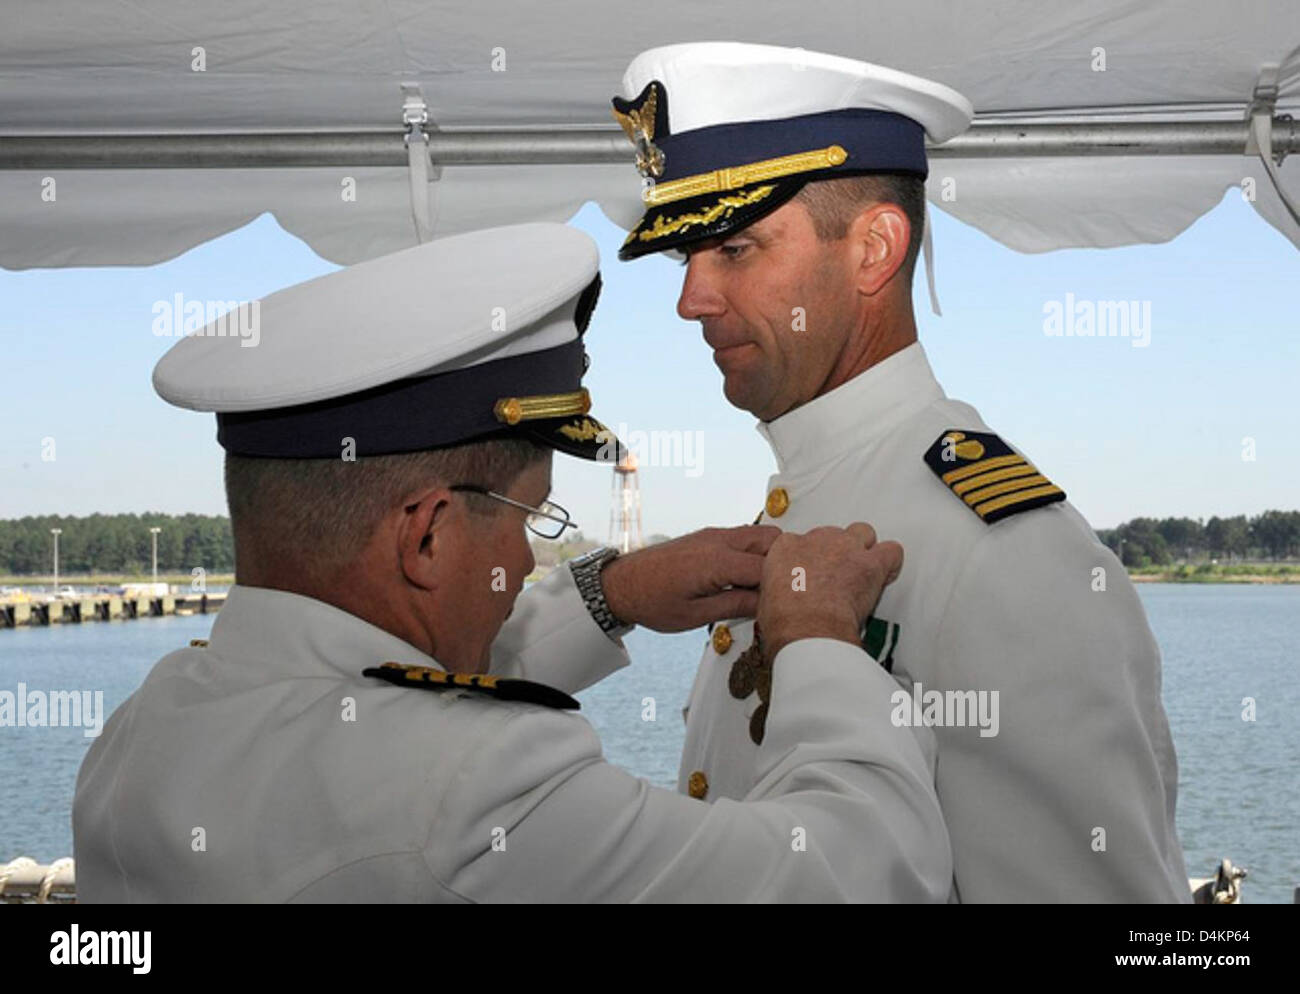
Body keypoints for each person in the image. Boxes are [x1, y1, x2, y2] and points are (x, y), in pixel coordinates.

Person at [73, 222, 952, 902]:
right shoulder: (469, 789)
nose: (529, 549)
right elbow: (864, 876)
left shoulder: (147, 729)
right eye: (527, 517)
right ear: (426, 535)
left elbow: (384, 681)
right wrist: (819, 644)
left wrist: (615, 593)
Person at [610, 42, 1190, 902]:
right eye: (686, 258)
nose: (689, 298)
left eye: (733, 249)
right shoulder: (814, 490)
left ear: (874, 249)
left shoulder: (1003, 557)